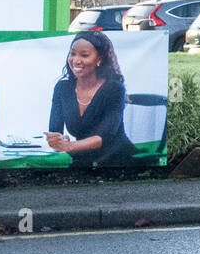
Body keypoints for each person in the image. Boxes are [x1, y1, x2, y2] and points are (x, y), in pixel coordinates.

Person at [46, 32, 135, 167]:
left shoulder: (114, 88)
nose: (76, 60)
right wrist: (58, 139)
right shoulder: (62, 88)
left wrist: (68, 146)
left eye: (84, 55)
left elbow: (104, 137)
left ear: (99, 60)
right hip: (82, 158)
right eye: (73, 54)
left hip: (117, 159)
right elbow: (54, 129)